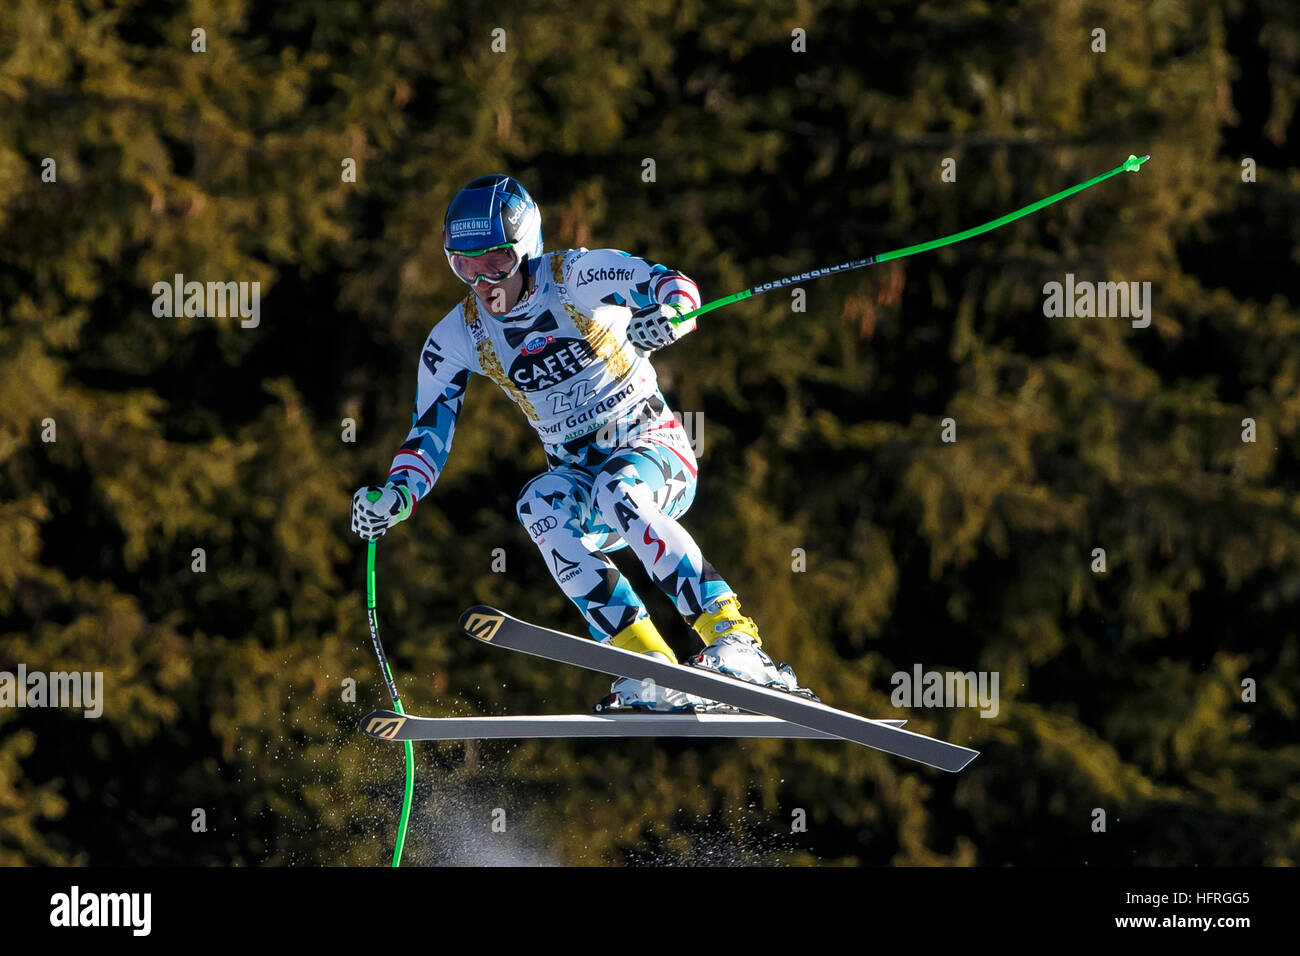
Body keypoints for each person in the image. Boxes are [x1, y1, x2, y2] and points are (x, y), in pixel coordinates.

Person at [351, 174, 811, 711]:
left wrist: (669, 318)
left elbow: (676, 287)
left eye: (496, 262)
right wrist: (396, 495)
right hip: (580, 477)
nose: (483, 281)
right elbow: (430, 432)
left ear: (526, 250)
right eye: (463, 265)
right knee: (538, 504)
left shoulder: (576, 277)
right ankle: (646, 665)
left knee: (621, 488)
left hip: (653, 448)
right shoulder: (457, 336)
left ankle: (736, 640)